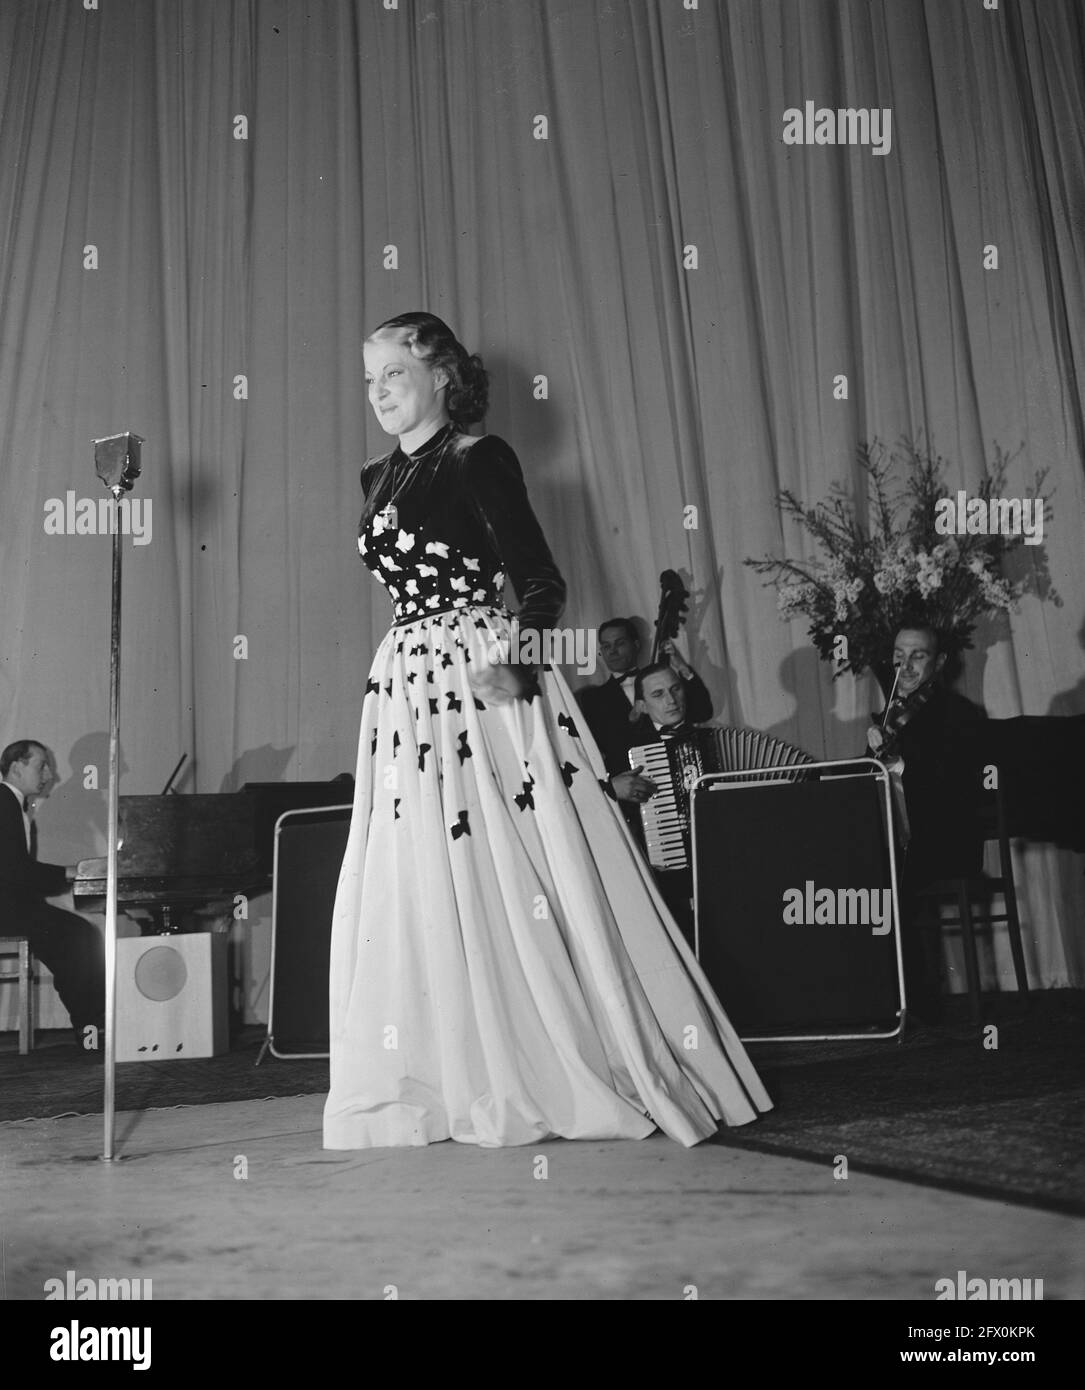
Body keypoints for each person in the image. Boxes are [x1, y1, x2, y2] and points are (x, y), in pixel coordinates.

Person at [323, 311, 771, 1149]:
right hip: (406, 686)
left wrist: (519, 662)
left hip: (481, 673)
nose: (380, 392)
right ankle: (459, 1068)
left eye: (395, 373)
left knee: (519, 860)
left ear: (442, 377)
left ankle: (561, 1059)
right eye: (370, 378)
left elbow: (540, 581)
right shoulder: (371, 477)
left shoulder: (477, 458)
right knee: (426, 864)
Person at [866, 625, 988, 1018]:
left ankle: (911, 1001)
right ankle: (877, 996)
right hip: (901, 842)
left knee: (882, 877)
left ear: (939, 663)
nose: (905, 666)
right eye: (899, 656)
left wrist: (896, 762)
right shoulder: (887, 716)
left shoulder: (960, 714)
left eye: (917, 656)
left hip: (944, 842)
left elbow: (955, 794)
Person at [0, 740, 105, 1051]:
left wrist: (70, 874)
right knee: (78, 935)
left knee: (77, 937)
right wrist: (70, 873)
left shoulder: (11, 803)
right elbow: (14, 870)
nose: (48, 774)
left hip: (13, 905)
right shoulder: (4, 802)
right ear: (16, 767)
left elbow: (18, 870)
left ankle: (92, 1025)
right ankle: (92, 1028)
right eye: (41, 765)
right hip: (6, 908)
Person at [576, 617, 712, 778]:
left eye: (620, 643)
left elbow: (702, 712)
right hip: (630, 789)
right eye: (606, 646)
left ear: (636, 645)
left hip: (681, 773)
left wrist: (682, 668)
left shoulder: (661, 682)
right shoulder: (591, 699)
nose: (612, 651)